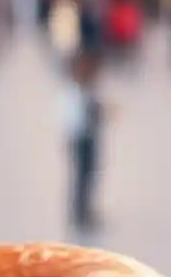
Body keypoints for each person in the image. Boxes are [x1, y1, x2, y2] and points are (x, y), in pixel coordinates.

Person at [60, 50, 106, 231]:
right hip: (80, 139)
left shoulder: (87, 90)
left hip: (89, 137)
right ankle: (79, 212)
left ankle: (85, 210)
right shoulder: (74, 93)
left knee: (88, 176)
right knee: (80, 177)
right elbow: (75, 116)